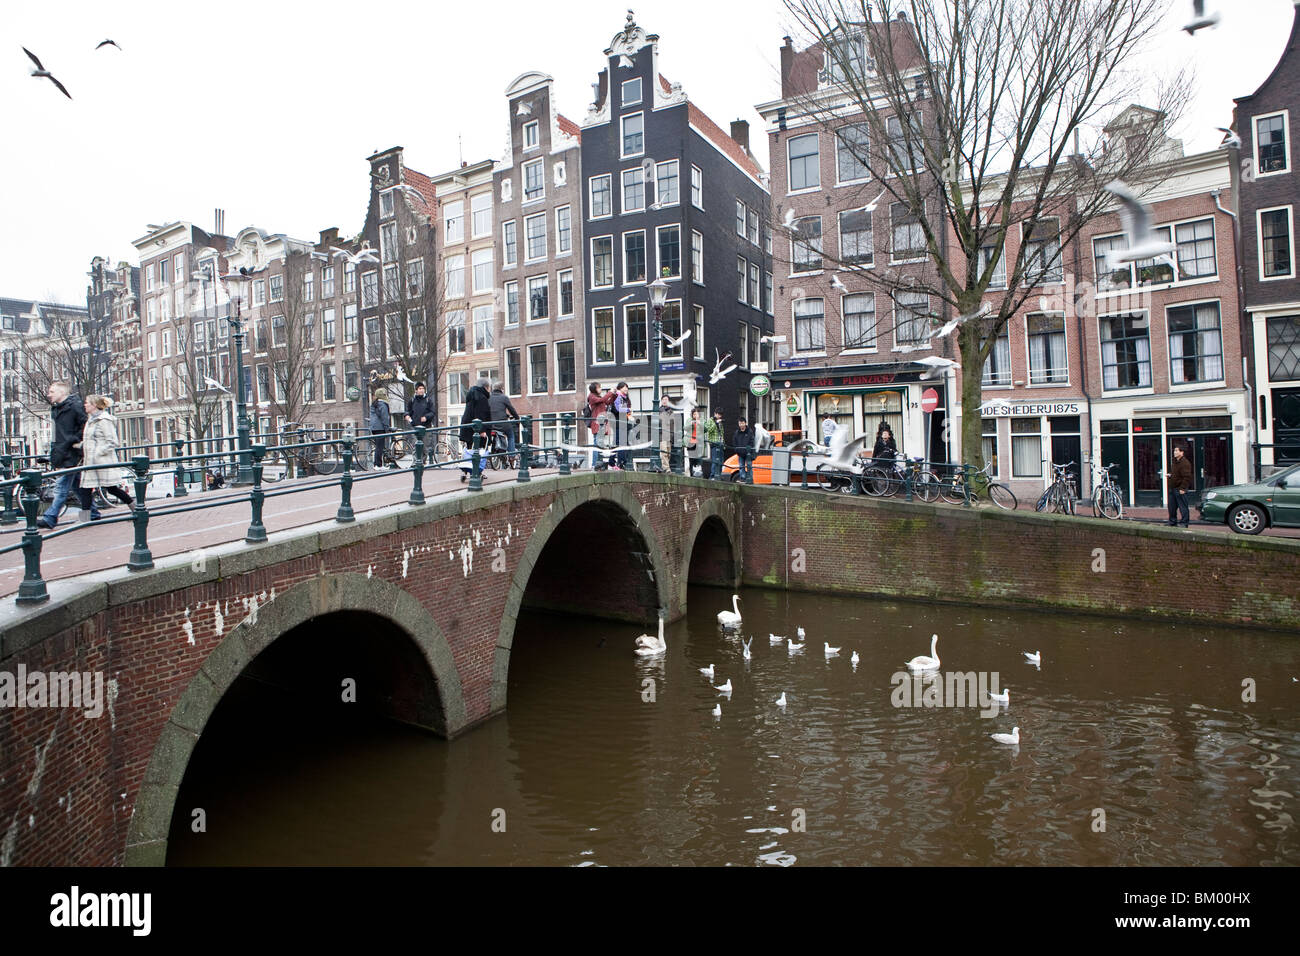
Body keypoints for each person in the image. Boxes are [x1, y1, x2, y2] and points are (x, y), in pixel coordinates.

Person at [37, 381, 87, 528]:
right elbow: (57, 434)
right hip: (62, 451)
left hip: (72, 453)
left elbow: (85, 425)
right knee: (78, 486)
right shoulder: (56, 409)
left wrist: (73, 440)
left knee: (61, 487)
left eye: (52, 392)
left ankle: (50, 517)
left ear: (61, 393)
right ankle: (93, 513)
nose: (49, 394)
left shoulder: (75, 406)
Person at [79, 395, 133, 510]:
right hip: (90, 463)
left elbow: (113, 441)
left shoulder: (104, 420)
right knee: (85, 489)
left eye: (87, 403)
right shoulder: (90, 420)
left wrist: (98, 453)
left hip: (102, 461)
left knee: (112, 489)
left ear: (94, 405)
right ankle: (84, 520)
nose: (85, 405)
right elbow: (90, 440)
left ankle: (135, 507)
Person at [459, 376, 493, 482]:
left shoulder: (472, 394)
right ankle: (477, 472)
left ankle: (465, 470)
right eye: (489, 387)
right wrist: (482, 430)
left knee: (469, 449)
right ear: (486, 387)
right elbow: (480, 414)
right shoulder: (481, 397)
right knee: (478, 450)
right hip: (476, 429)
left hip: (467, 426)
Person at [586, 383, 615, 469]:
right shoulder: (591, 397)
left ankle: (599, 463)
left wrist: (613, 395)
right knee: (597, 443)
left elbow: (607, 402)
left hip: (602, 422)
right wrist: (610, 392)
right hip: (597, 422)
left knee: (600, 443)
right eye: (599, 387)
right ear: (594, 389)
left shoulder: (598, 397)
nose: (600, 389)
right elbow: (602, 400)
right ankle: (595, 464)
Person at [489, 382, 520, 455]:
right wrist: (517, 418)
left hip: (490, 424)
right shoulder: (504, 397)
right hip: (502, 424)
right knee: (511, 435)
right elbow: (511, 409)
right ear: (501, 389)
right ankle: (511, 455)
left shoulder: (488, 397)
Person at [1167, 444, 1193, 528]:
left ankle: (1184, 523)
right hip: (1173, 488)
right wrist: (1170, 475)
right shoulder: (1175, 462)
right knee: (1171, 507)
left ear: (1182, 452)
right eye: (1174, 450)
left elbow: (1187, 477)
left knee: (1183, 507)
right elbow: (1177, 474)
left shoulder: (1185, 463)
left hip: (1180, 489)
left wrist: (1182, 488)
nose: (1174, 452)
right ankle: (1172, 522)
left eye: (1176, 451)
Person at [611, 382, 634, 470]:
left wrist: (630, 416)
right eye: (624, 387)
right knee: (620, 443)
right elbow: (618, 409)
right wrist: (628, 409)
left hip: (624, 423)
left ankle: (616, 462)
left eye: (627, 388)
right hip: (618, 423)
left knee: (620, 443)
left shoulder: (625, 398)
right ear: (619, 388)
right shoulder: (618, 397)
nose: (626, 389)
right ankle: (619, 463)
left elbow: (625, 412)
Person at [369, 388, 394, 468]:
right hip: (380, 427)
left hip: (374, 427)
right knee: (379, 447)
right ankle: (378, 465)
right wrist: (387, 428)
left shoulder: (374, 404)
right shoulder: (383, 404)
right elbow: (384, 417)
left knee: (378, 446)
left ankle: (378, 464)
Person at [732, 416, 756, 484]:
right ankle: (743, 479)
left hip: (748, 453)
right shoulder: (737, 432)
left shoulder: (749, 432)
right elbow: (734, 441)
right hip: (740, 453)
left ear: (745, 423)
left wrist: (749, 450)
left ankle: (750, 479)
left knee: (749, 466)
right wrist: (737, 450)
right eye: (740, 423)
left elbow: (752, 441)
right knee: (741, 466)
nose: (741, 425)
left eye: (742, 423)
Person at [657, 395, 678, 471]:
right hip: (662, 434)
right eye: (663, 399)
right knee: (664, 452)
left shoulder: (671, 411)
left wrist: (673, 434)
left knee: (668, 453)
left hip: (669, 434)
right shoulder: (658, 410)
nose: (665, 401)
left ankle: (665, 467)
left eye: (666, 399)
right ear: (661, 401)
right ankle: (666, 468)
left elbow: (673, 424)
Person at [687, 408, 707, 477]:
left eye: (697, 414)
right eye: (694, 414)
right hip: (691, 443)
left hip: (699, 443)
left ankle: (699, 474)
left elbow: (706, 429)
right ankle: (691, 474)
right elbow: (685, 428)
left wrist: (700, 424)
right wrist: (691, 424)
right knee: (691, 459)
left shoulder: (702, 421)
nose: (695, 415)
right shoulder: (689, 420)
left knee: (699, 458)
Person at [706, 410, 726, 480]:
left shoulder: (720, 422)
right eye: (718, 414)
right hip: (714, 443)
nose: (719, 416)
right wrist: (715, 423)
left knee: (721, 461)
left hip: (720, 444)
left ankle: (718, 475)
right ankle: (712, 476)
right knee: (715, 460)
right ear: (715, 414)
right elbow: (708, 430)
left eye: (720, 415)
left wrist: (723, 444)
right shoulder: (710, 421)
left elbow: (722, 433)